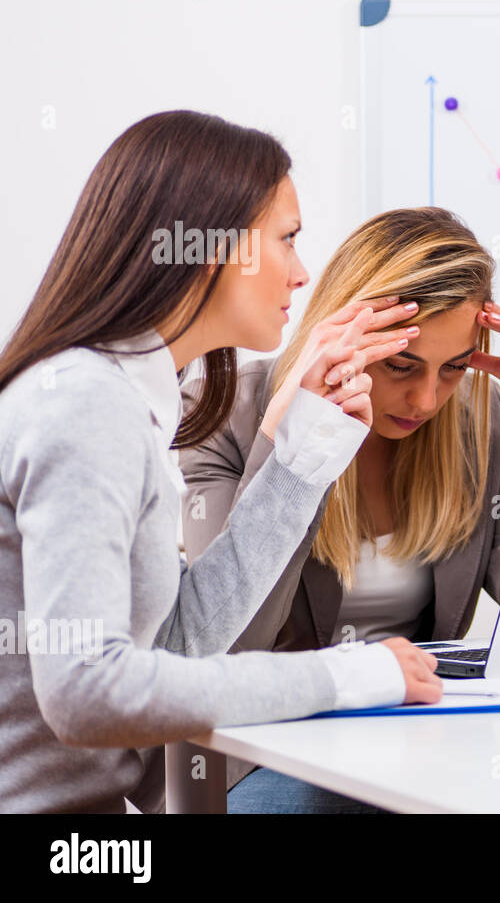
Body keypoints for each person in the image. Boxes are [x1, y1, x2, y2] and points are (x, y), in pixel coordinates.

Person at [0, 111, 443, 814]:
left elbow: (181, 642)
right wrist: (347, 676)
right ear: (211, 246)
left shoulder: (135, 399)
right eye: (287, 241)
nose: (302, 275)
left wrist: (301, 458)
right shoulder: (85, 404)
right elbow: (86, 692)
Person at [179, 206, 500, 810]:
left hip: (424, 738)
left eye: (452, 368)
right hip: (276, 743)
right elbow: (222, 640)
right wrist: (290, 435)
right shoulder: (223, 409)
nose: (426, 399)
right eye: (402, 365)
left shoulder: (477, 415)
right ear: (343, 332)